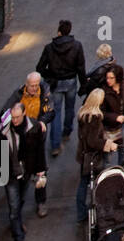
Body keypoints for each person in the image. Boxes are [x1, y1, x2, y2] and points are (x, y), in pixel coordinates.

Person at [0, 102, 47, 241]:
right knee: (13, 207)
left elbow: (39, 150)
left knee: (20, 200)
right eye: (12, 118)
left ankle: (18, 221)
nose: (14, 121)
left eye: (17, 117)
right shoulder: (3, 133)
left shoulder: (33, 128)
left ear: (24, 114)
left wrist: (41, 169)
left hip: (26, 172)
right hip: (11, 175)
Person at [35, 20, 87, 158]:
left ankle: (55, 145)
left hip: (55, 83)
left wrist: (49, 76)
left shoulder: (49, 48)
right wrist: (84, 85)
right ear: (69, 31)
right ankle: (67, 131)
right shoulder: (77, 46)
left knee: (55, 112)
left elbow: (40, 68)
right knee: (70, 108)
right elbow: (81, 67)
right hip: (70, 81)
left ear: (59, 32)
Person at [75, 89, 115, 227]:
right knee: (100, 183)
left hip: (83, 155)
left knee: (83, 183)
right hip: (94, 157)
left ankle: (81, 213)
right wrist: (108, 144)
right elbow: (93, 141)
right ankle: (101, 211)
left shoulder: (82, 114)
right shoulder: (95, 118)